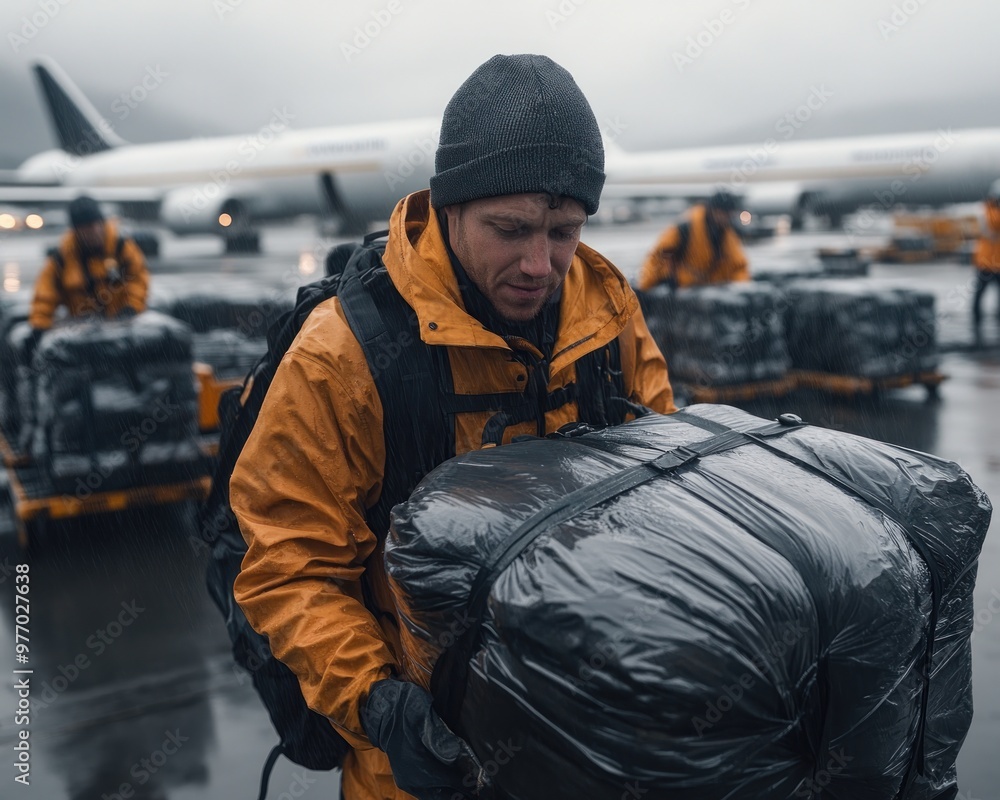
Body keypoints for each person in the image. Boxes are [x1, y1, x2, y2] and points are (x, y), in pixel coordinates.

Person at [230, 54, 675, 800]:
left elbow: (668, 483)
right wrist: (379, 703)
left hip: (589, 741)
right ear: (448, 209)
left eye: (564, 232)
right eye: (511, 229)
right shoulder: (345, 356)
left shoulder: (607, 312)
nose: (541, 263)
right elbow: (288, 565)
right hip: (421, 765)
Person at [27, 195, 149, 335]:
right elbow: (44, 295)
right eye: (88, 227)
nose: (95, 231)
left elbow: (139, 278)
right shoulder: (62, 258)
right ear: (76, 230)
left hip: (124, 326)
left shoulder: (121, 248)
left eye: (98, 224)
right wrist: (39, 327)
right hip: (82, 333)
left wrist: (131, 308)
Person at [637, 190, 750, 291]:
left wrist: (741, 288)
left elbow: (739, 265)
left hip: (705, 288)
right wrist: (644, 286)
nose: (727, 218)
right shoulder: (685, 227)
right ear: (715, 211)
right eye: (726, 214)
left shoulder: (726, 233)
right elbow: (658, 255)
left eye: (730, 215)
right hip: (681, 287)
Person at [972, 183, 1000, 343]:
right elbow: (994, 224)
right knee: (979, 293)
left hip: (998, 262)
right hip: (986, 262)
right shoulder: (987, 211)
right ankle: (976, 320)